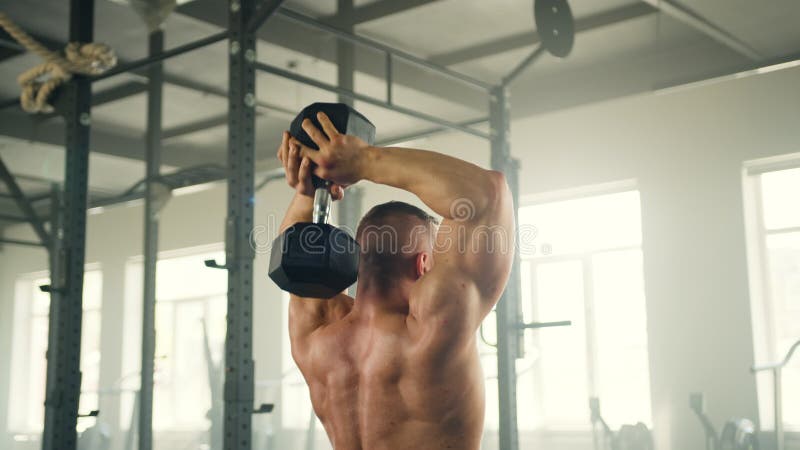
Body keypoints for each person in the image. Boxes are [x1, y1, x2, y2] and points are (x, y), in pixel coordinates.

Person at [276, 111, 514, 450]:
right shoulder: (433, 330)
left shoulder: (316, 335)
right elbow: (486, 195)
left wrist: (311, 186)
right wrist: (366, 160)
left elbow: (299, 255)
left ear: (357, 261)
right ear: (424, 264)